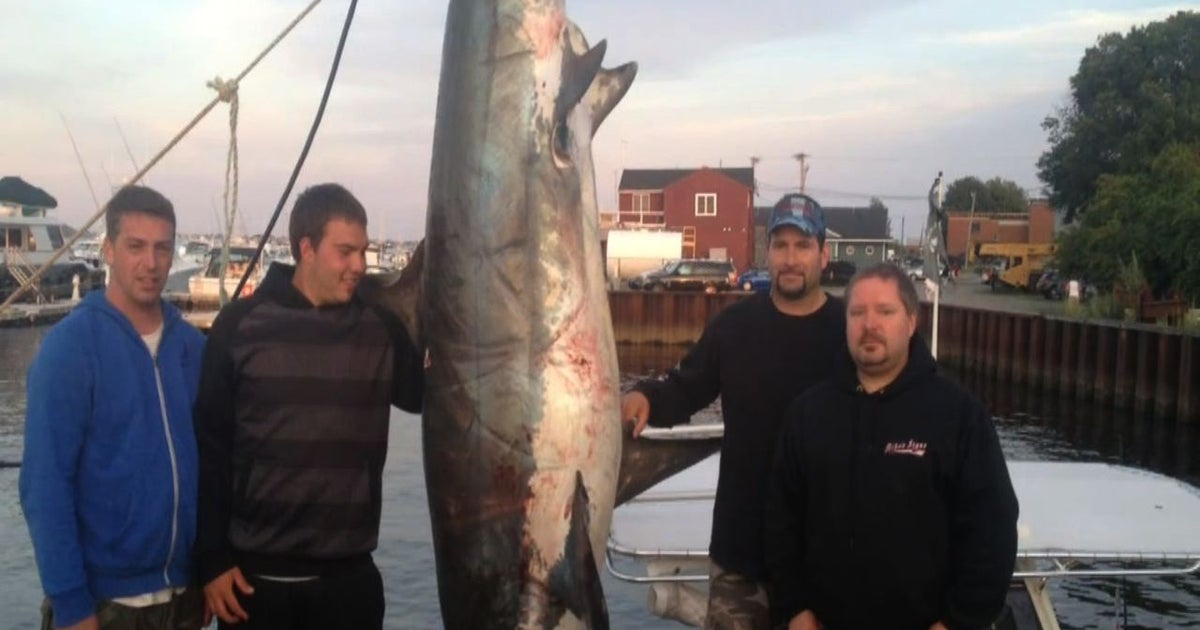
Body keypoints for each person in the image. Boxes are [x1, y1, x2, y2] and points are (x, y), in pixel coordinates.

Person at [193, 183, 423, 630]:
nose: (359, 265)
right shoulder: (240, 326)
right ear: (306, 248)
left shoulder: (379, 328)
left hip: (350, 585)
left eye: (364, 251)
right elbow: (210, 446)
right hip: (254, 587)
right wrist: (212, 559)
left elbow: (424, 397)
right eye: (346, 252)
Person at [621, 193, 847, 629]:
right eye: (780, 246)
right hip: (741, 551)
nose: (790, 259)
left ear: (824, 254)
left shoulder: (850, 331)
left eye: (802, 246)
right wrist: (645, 397)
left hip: (825, 557)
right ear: (768, 253)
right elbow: (685, 390)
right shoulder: (734, 327)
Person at [766, 263, 1019, 630]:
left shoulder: (959, 415)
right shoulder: (808, 414)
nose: (870, 325)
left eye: (885, 312)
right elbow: (781, 520)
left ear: (911, 322)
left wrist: (958, 621)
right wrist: (794, 607)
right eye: (858, 313)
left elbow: (991, 529)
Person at [20, 185, 207, 630]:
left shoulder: (194, 349)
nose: (151, 262)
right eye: (135, 247)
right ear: (108, 250)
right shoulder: (69, 349)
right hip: (103, 606)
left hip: (184, 599)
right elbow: (45, 486)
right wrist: (71, 604)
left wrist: (205, 571)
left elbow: (213, 467)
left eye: (163, 248)